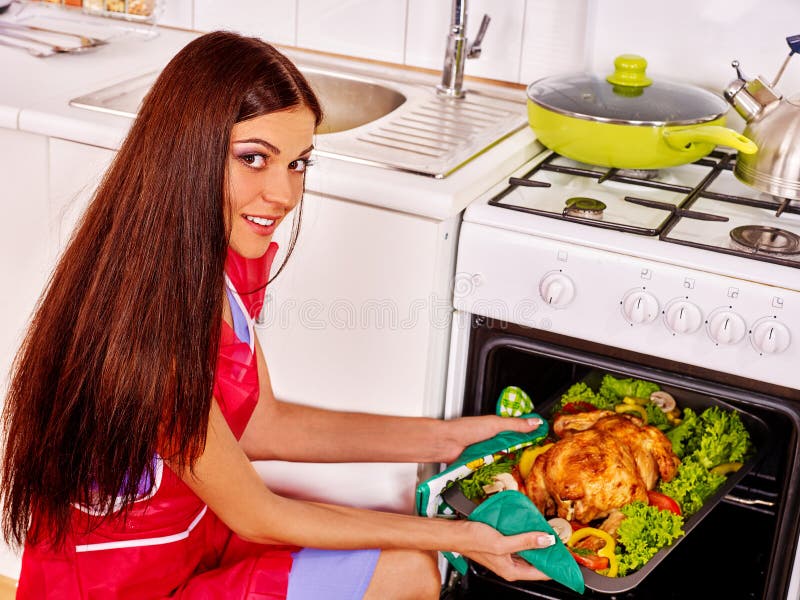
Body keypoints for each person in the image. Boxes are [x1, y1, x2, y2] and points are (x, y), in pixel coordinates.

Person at [0, 31, 554, 599]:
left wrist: (441, 441)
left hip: (194, 544)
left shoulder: (227, 260)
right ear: (186, 151)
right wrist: (459, 536)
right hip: (123, 588)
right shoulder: (141, 336)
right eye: (254, 159)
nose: (283, 193)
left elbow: (264, 423)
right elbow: (258, 514)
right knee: (412, 568)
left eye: (297, 164)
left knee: (410, 562)